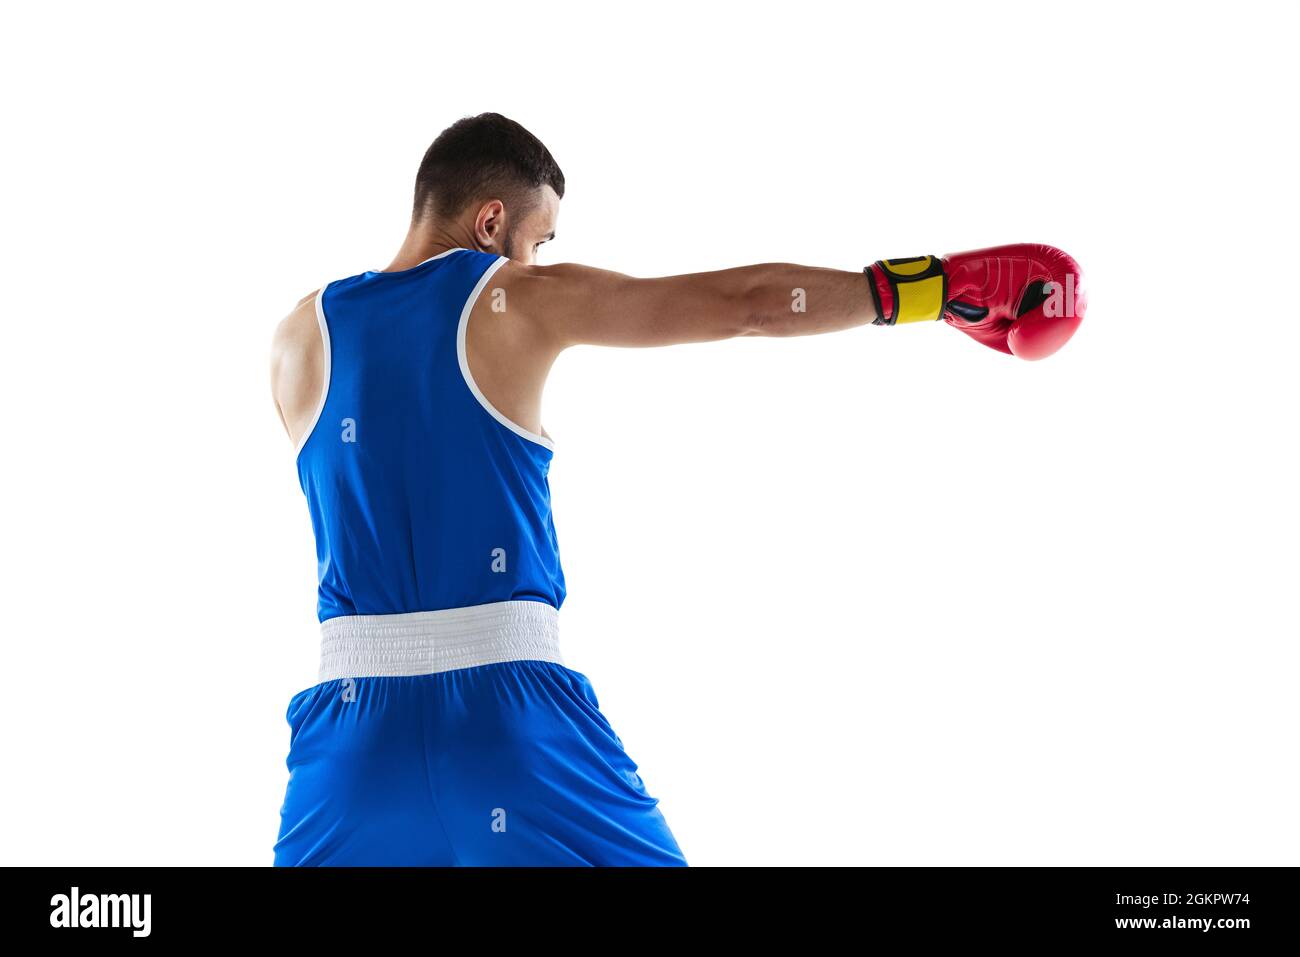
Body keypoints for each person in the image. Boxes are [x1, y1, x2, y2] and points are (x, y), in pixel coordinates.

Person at [268, 112, 1086, 866]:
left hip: (347, 752)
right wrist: (930, 289)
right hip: (509, 727)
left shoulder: (301, 335)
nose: (536, 262)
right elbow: (749, 307)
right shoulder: (509, 297)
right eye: (538, 240)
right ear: (491, 222)